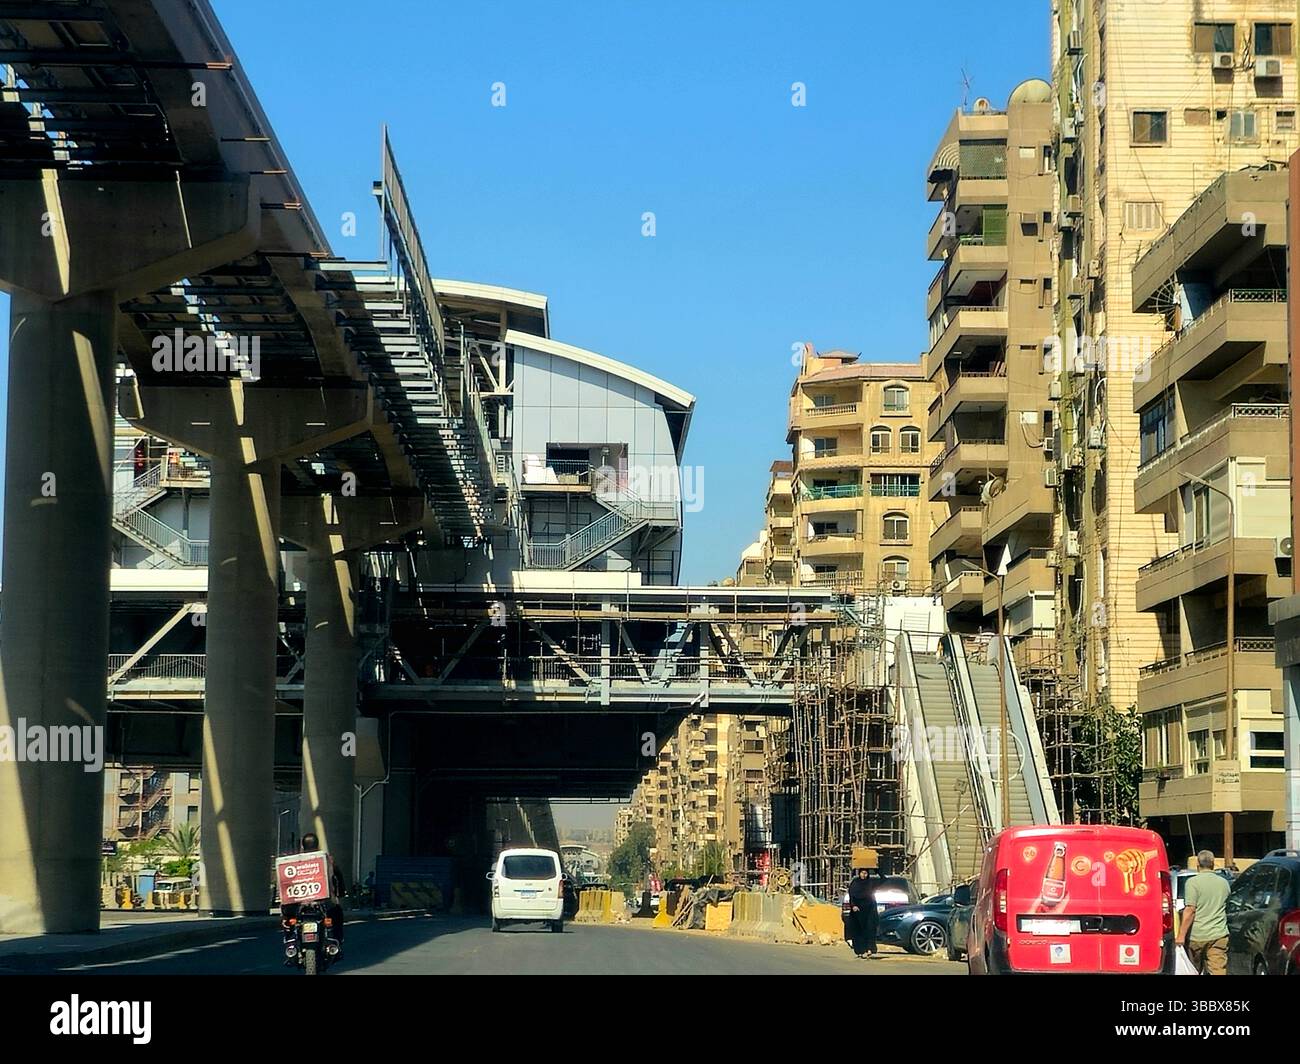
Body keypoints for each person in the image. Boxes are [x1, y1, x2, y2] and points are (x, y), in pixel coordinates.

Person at [281, 832, 347, 952]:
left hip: (297, 904)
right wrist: (341, 892)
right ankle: (338, 940)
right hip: (322, 903)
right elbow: (338, 875)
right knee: (337, 913)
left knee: (288, 919)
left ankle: (289, 939)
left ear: (302, 847)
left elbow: (284, 882)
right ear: (317, 845)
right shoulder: (326, 859)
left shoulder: (293, 861)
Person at [1177, 849, 1230, 975]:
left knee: (1193, 970)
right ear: (1213, 864)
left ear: (1198, 865)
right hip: (1218, 935)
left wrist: (1181, 935)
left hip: (1197, 936)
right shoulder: (1224, 883)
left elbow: (1190, 910)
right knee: (1218, 971)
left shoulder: (1192, 883)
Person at [845, 867, 878, 959]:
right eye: (862, 873)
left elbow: (882, 880)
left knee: (869, 930)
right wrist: (853, 906)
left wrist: (877, 870)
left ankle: (869, 949)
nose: (864, 875)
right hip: (857, 911)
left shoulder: (870, 883)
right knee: (858, 931)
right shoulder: (855, 882)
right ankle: (859, 951)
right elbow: (852, 896)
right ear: (859, 873)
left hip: (869, 911)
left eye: (866, 873)